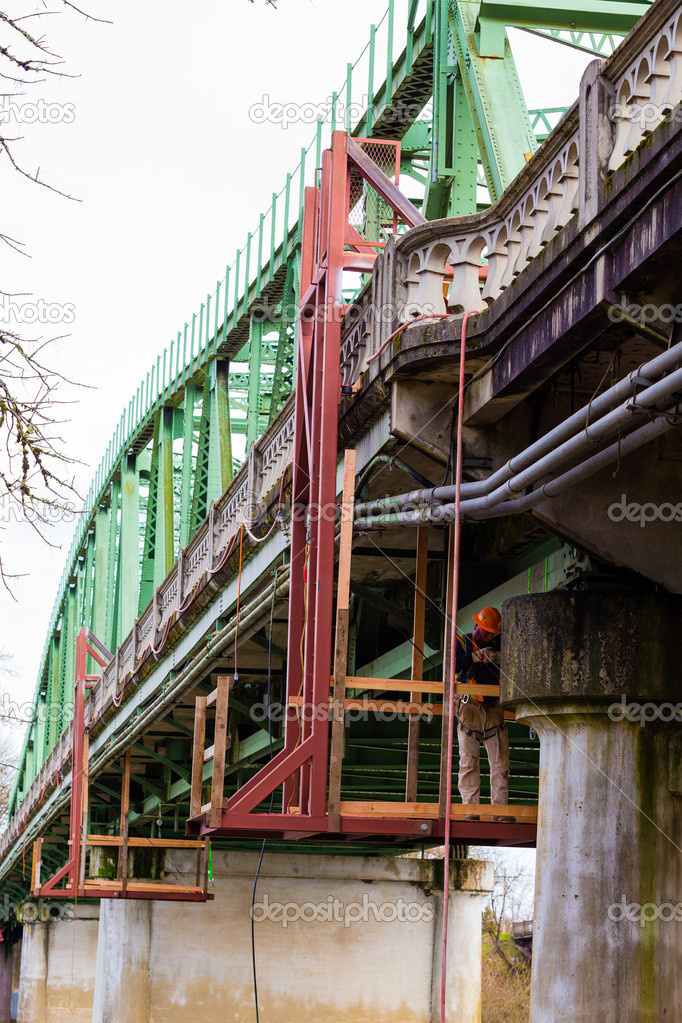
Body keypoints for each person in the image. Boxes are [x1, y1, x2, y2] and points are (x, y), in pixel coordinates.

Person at [454, 606, 514, 823]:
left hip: (494, 707)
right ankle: (471, 810)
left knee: (500, 763)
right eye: (486, 631)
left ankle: (500, 811)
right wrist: (475, 657)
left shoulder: (500, 646)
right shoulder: (461, 642)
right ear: (476, 626)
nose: (489, 636)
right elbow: (450, 665)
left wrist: (498, 658)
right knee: (468, 761)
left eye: (492, 633)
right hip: (469, 708)